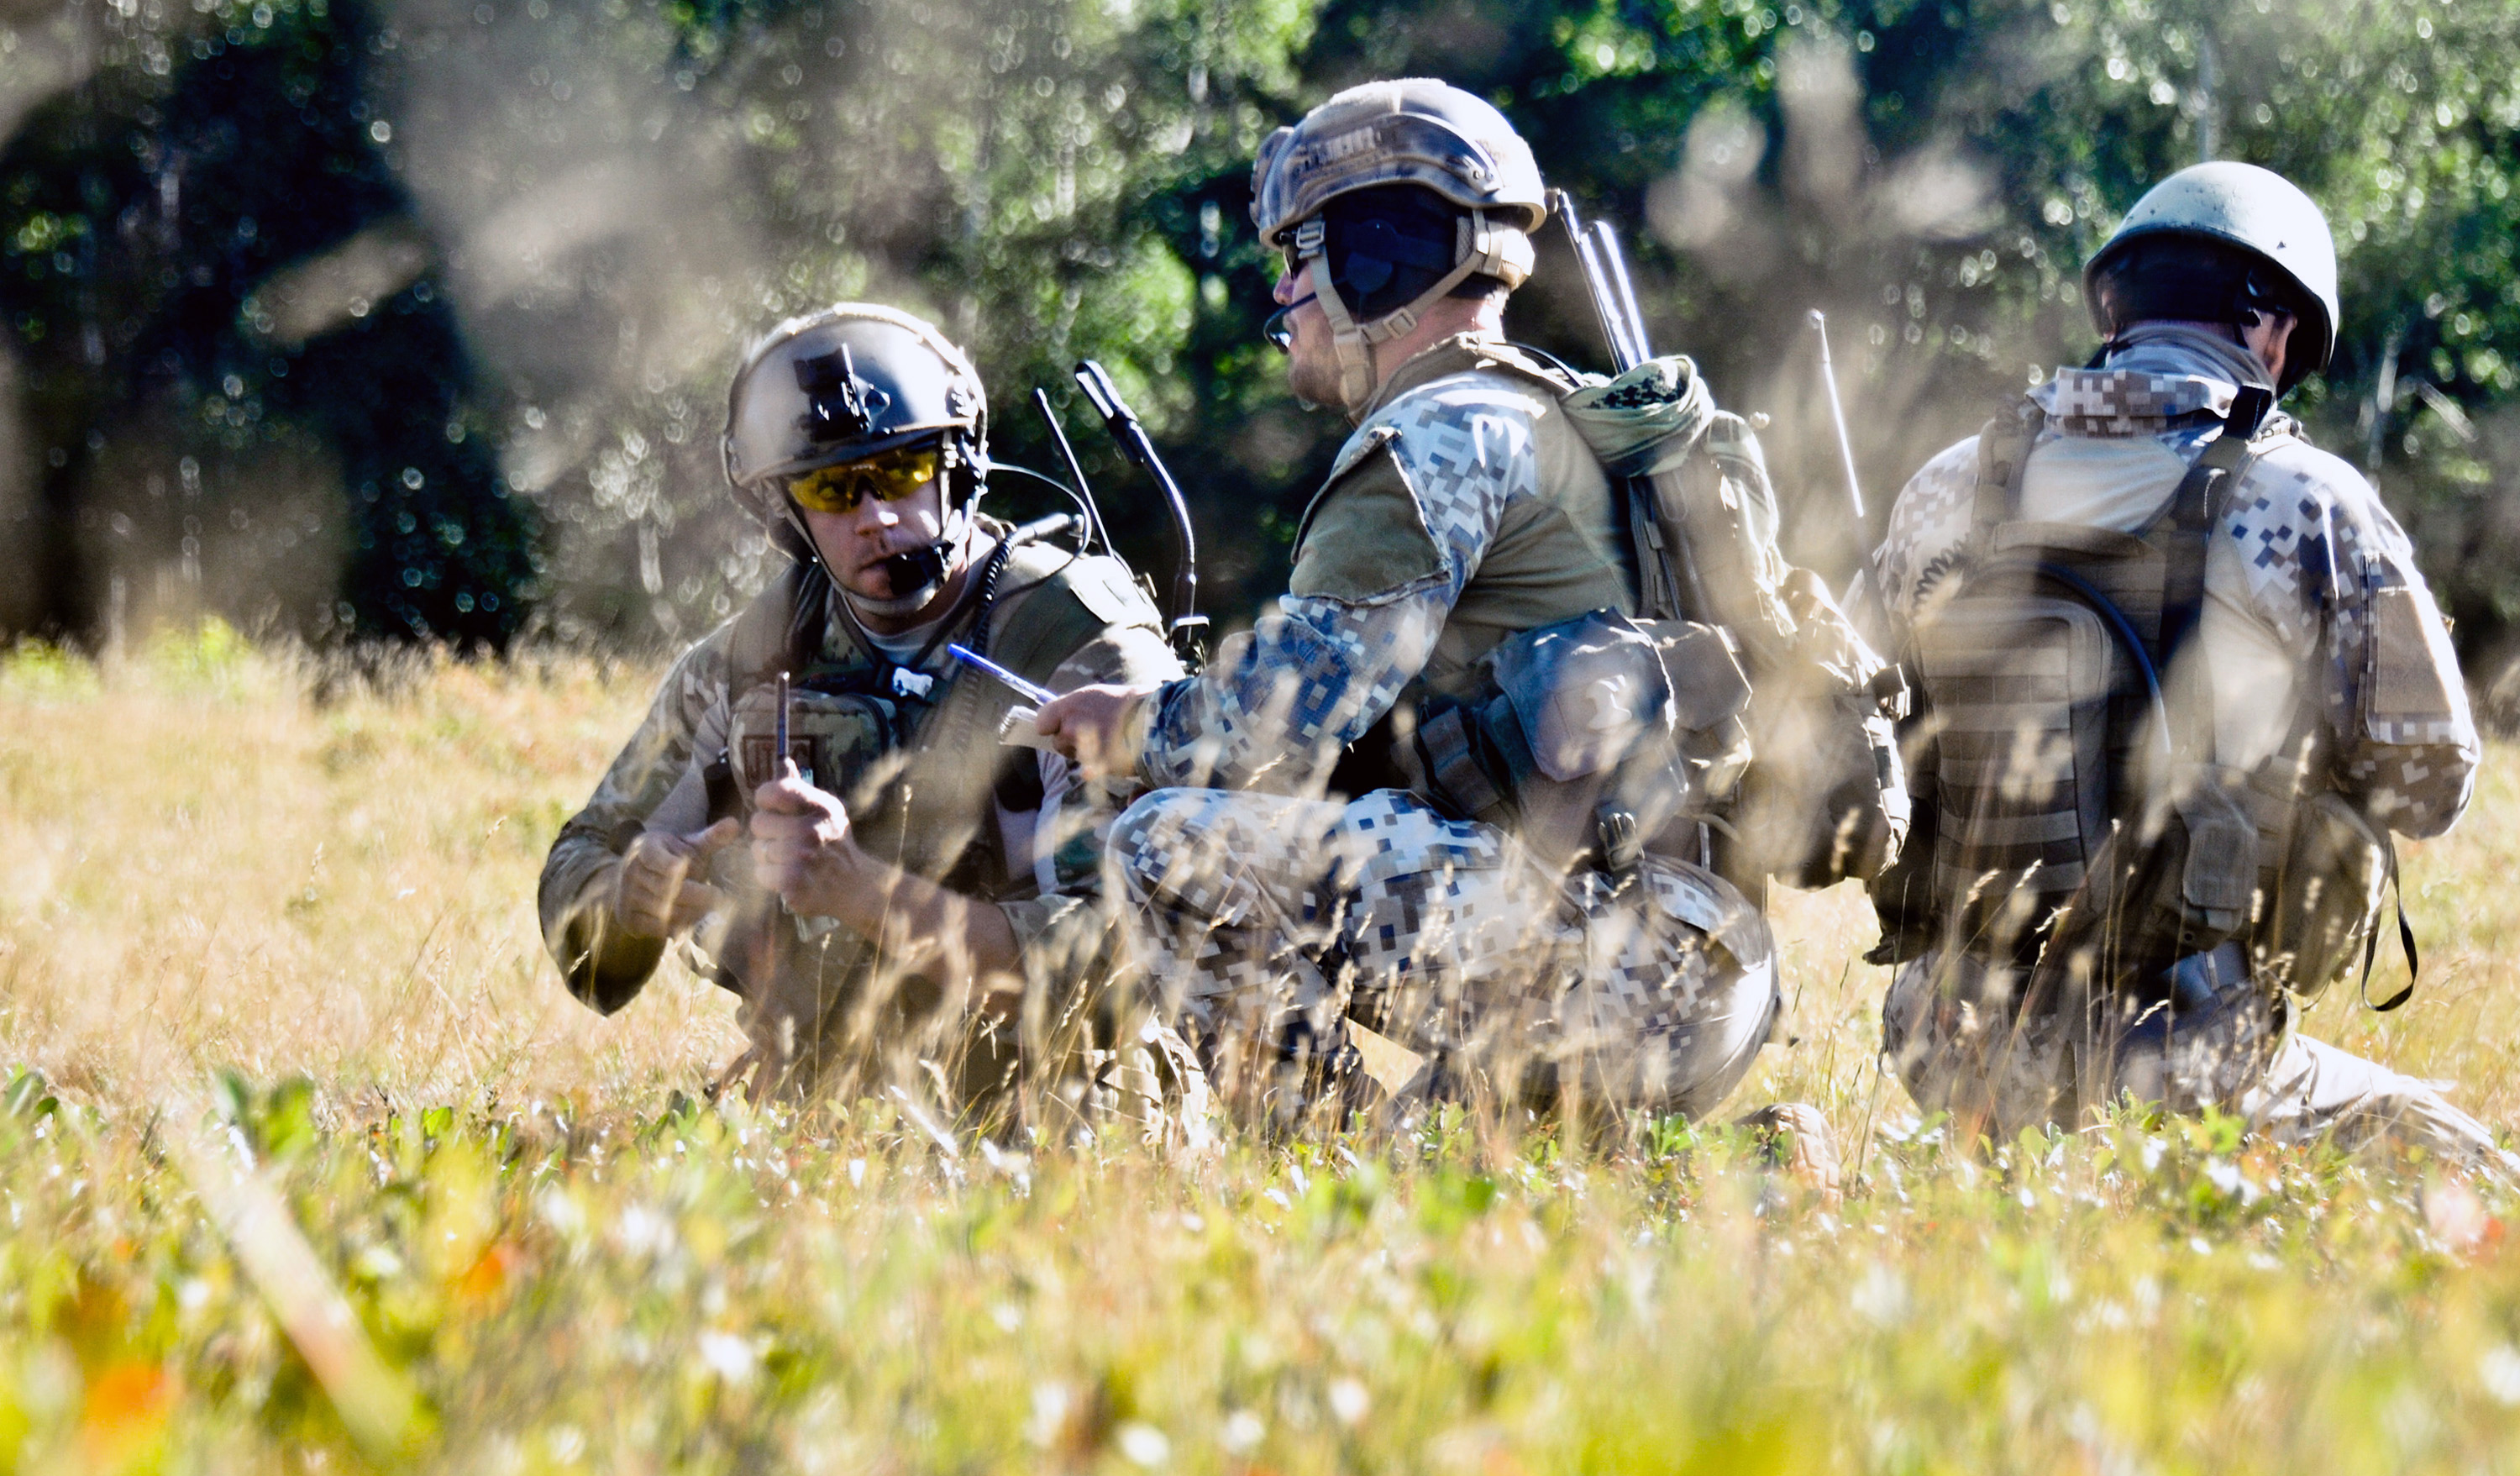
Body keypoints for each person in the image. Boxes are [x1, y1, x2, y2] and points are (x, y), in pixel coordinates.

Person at [1037, 80, 1782, 1127]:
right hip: (1692, 962)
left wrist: (1129, 724)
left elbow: (1268, 731)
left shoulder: (1435, 439)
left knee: (1164, 840)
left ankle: (1304, 1161)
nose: (1285, 293)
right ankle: (1742, 1166)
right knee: (1448, 1183)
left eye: (1298, 257)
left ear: (1372, 255)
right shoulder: (1549, 412)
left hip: (1603, 954)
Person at [1860, 160, 2507, 1166]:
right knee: (2475, 1177)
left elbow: (1863, 741)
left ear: (2115, 303)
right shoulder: (2307, 497)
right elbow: (2431, 787)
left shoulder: (1945, 487)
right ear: (2276, 329)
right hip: (2180, 1052)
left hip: (1946, 1034)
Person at [539, 303, 1179, 1101]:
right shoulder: (756, 655)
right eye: (831, 488)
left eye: (904, 471)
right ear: (788, 513)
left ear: (959, 466)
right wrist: (630, 901)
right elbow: (580, 872)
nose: (875, 516)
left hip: (1069, 1111)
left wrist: (860, 891)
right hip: (822, 1108)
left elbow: (1123, 968)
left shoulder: (1077, 644)